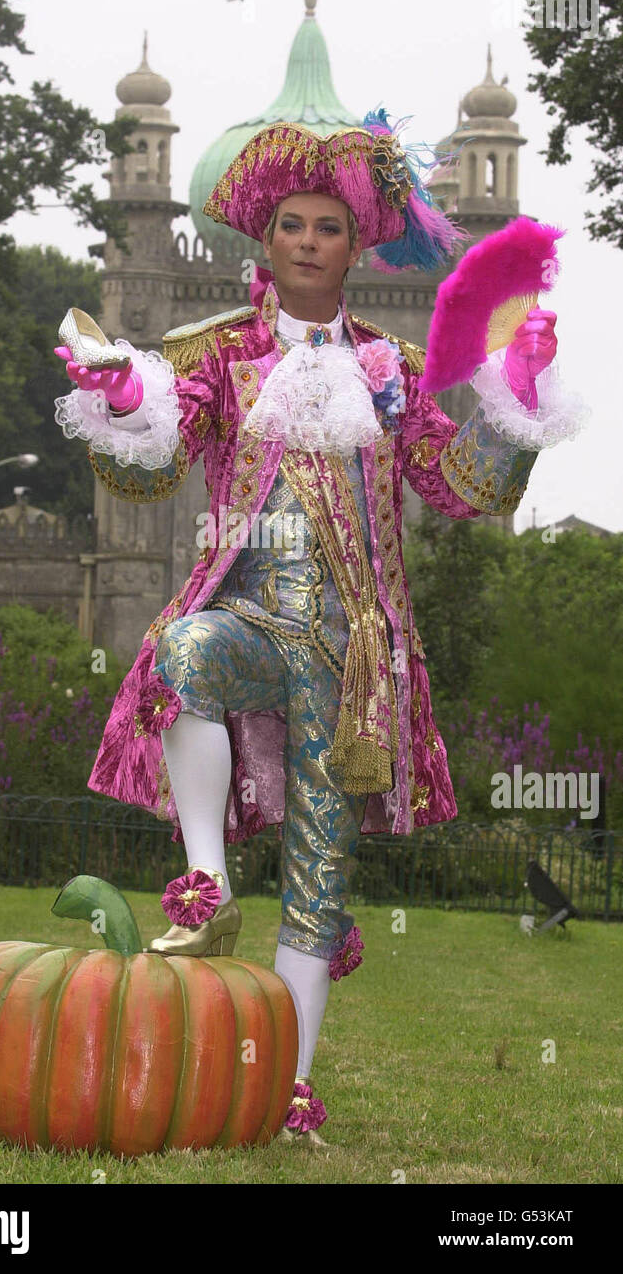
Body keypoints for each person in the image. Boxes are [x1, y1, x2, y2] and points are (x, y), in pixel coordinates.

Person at [54, 116, 582, 1143]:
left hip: (359, 666)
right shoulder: (217, 357)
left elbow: (463, 487)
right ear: (267, 240)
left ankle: (286, 1090)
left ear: (355, 247)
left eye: (327, 226)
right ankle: (203, 880)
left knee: (319, 875)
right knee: (184, 651)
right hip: (252, 621)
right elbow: (150, 470)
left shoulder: (395, 366)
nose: (305, 240)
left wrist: (516, 402)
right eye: (290, 223)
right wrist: (125, 397)